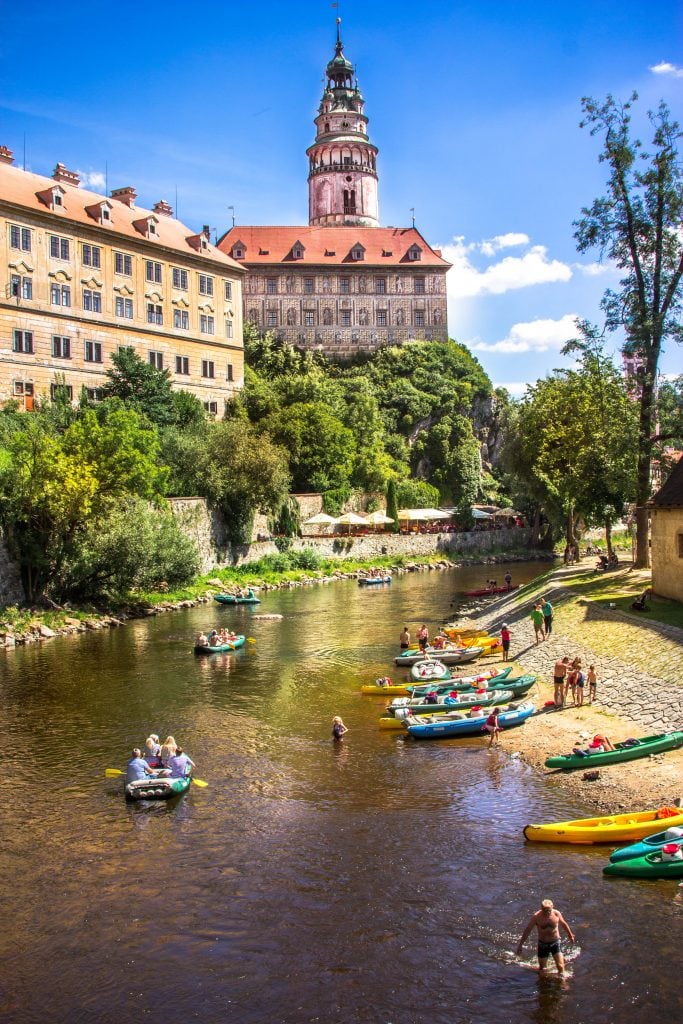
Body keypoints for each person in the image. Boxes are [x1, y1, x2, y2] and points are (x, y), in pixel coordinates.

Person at [516, 899, 576, 977]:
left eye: (548, 910)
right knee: (543, 969)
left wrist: (570, 935)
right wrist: (520, 945)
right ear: (541, 908)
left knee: (560, 967)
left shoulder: (556, 914)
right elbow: (528, 930)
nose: (547, 912)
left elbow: (564, 924)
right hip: (543, 944)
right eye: (544, 910)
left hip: (555, 942)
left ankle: (563, 984)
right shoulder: (536, 917)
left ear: (552, 907)